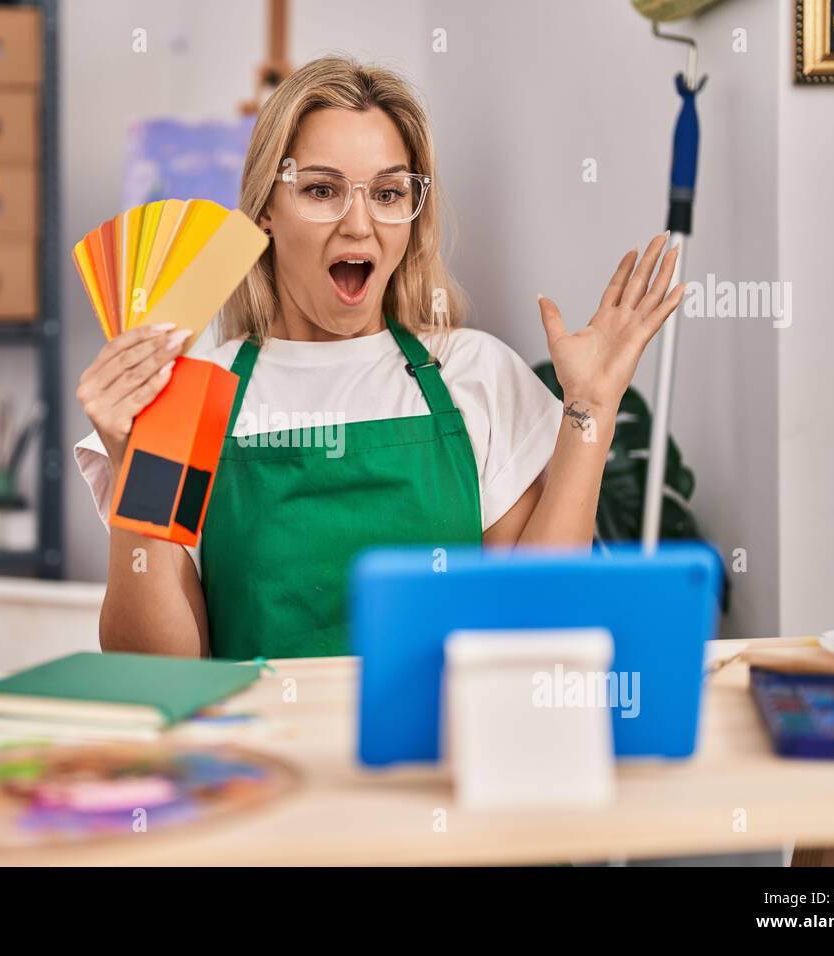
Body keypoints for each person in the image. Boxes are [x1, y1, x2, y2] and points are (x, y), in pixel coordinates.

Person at [75, 56, 684, 659]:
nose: (359, 226)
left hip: (435, 751)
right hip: (265, 751)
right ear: (266, 211)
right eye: (321, 190)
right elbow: (159, 668)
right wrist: (139, 467)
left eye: (388, 193)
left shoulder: (476, 375)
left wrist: (593, 409)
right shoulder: (191, 392)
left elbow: (529, 624)